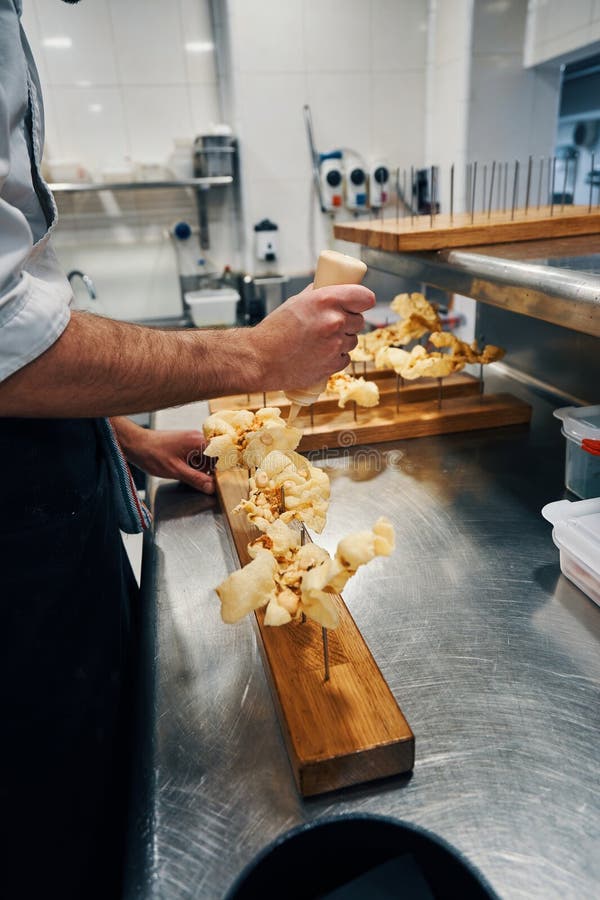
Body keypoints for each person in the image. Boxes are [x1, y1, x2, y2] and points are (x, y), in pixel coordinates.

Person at [0, 1, 375, 896]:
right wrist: (257, 355)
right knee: (53, 839)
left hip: (49, 528)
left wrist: (118, 435)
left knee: (102, 789)